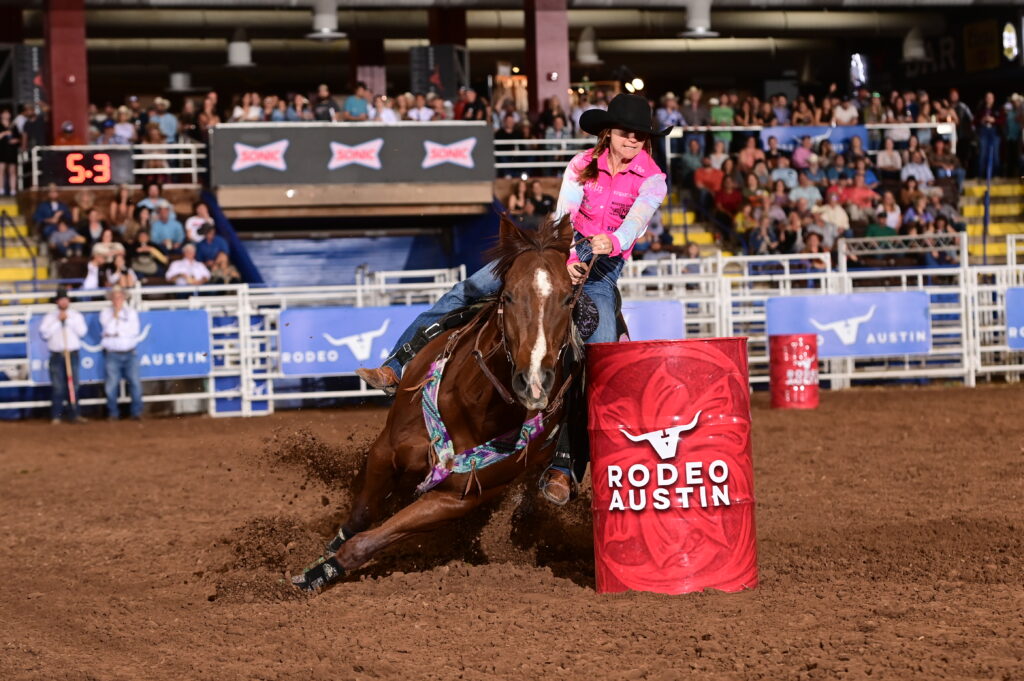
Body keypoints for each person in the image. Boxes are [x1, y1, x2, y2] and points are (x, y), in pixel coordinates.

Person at [356, 93, 671, 506]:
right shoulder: (579, 166)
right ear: (608, 132)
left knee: (602, 355)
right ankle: (396, 365)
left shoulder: (653, 179)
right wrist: (570, 259)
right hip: (558, 254)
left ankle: (566, 465)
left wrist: (604, 245)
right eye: (626, 132)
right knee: (465, 292)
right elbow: (564, 217)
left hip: (601, 272)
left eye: (640, 135)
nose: (633, 140)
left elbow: (633, 227)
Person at [39, 287, 88, 424]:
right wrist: (57, 322)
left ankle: (75, 414)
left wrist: (68, 321)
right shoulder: (49, 317)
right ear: (57, 301)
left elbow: (82, 332)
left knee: (74, 385)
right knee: (58, 386)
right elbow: (44, 334)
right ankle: (56, 415)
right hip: (56, 354)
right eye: (61, 299)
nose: (63, 302)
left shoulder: (76, 316)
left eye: (65, 299)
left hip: (72, 354)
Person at [100, 286, 143, 420]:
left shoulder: (131, 312)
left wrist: (115, 331)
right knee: (111, 384)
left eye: (119, 296)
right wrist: (116, 322)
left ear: (124, 298)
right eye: (115, 297)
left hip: (129, 352)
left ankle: (136, 413)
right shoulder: (105, 313)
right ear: (111, 299)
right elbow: (107, 328)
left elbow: (134, 331)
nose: (117, 300)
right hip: (112, 353)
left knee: (135, 383)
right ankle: (113, 413)